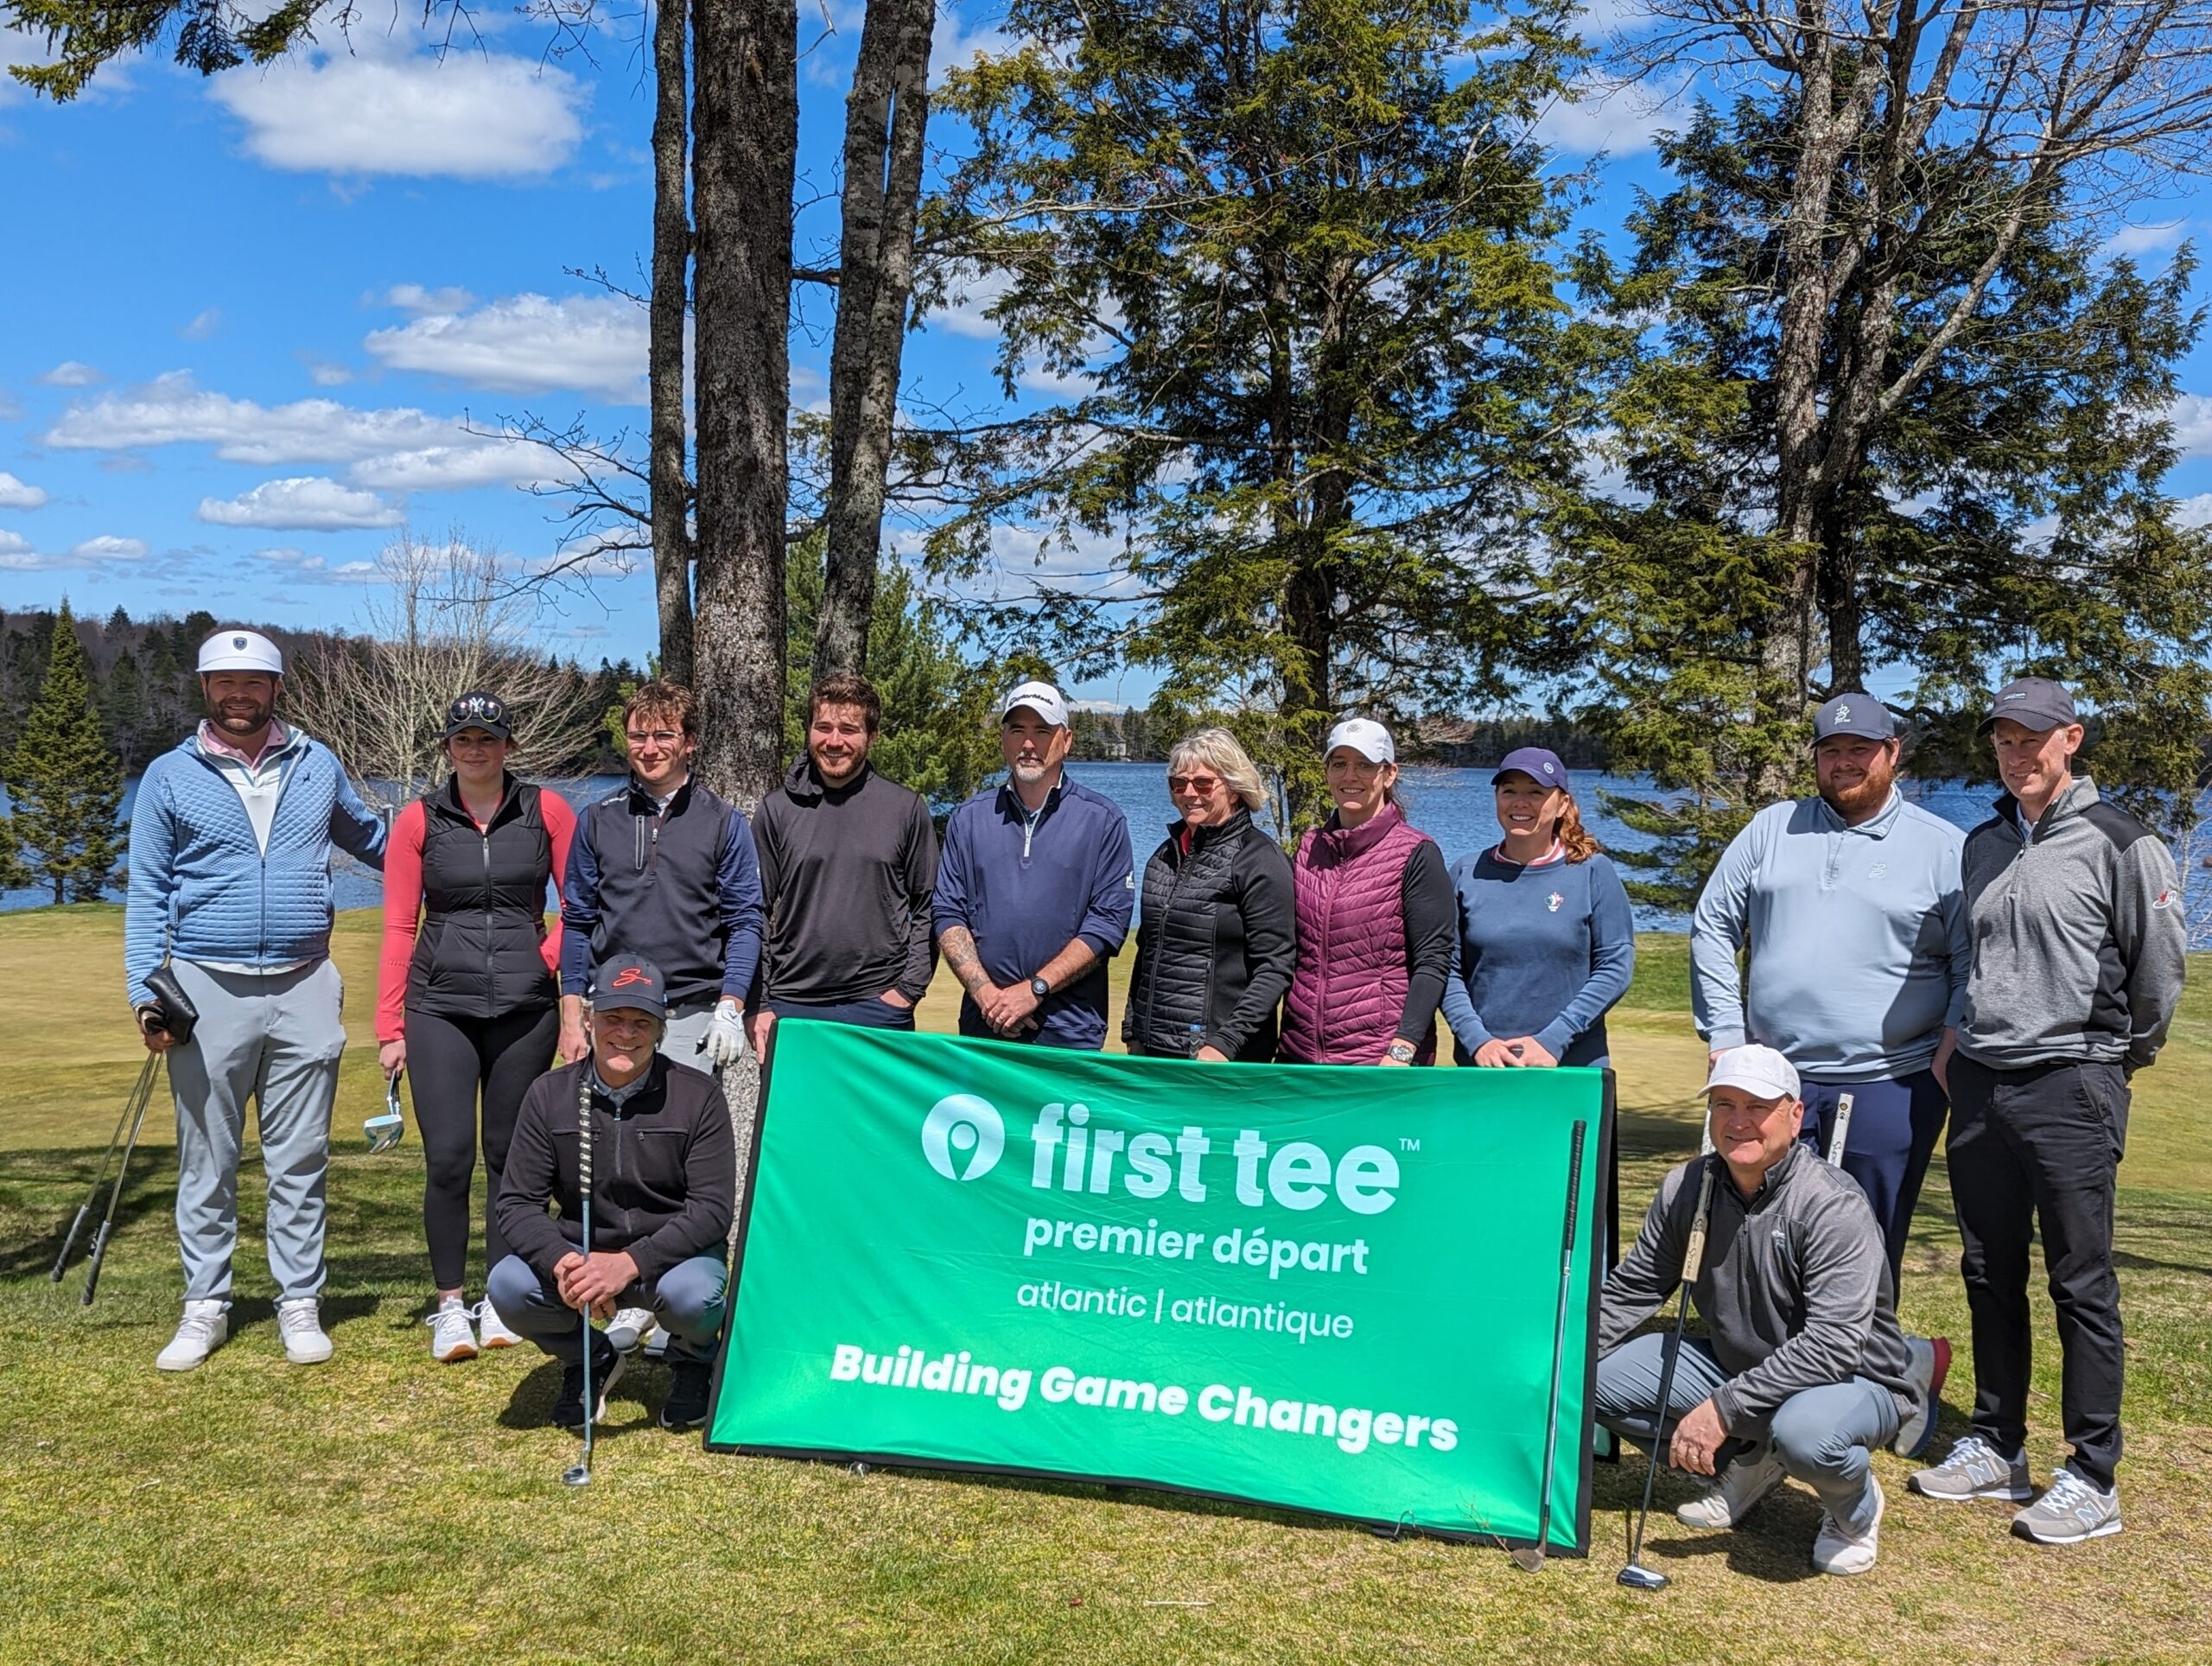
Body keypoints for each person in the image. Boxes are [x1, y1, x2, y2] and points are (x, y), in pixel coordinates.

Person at [1911, 677, 2186, 1545]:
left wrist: (2114, 1058)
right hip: (1984, 1084)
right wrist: (1959, 1035)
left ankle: (2092, 1472)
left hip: (2074, 1083)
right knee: (1988, 1269)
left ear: (2070, 738)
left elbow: (2158, 973)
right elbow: (1976, 955)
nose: (2016, 753)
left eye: (2032, 737)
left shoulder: (2121, 839)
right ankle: (1996, 1443)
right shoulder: (1985, 841)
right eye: (2002, 738)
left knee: (2079, 1277)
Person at [1690, 692, 1966, 1454]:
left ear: (1893, 752)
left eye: (1860, 749)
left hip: (1888, 1084)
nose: (1843, 762)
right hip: (1772, 1082)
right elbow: (1713, 924)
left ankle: (1888, 1388)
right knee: (1749, 1245)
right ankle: (1774, 1390)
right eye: (1830, 750)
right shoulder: (1770, 829)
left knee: (1863, 1256)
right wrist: (1723, 1031)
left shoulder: (1942, 847)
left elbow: (1973, 957)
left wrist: (1952, 1040)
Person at [124, 627, 387, 1372]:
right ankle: (204, 1305)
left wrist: (467, 844)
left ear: (277, 689)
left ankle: (298, 1300)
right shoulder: (171, 776)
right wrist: (149, 995)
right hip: (206, 984)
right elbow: (145, 894)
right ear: (205, 689)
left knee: (299, 1158)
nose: (238, 696)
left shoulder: (316, 762)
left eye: (254, 683)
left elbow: (378, 841)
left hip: (307, 983)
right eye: (224, 683)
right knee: (207, 1158)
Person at [1597, 1046, 1923, 1578]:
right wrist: (1554, 1348)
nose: (1739, 1121)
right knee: (1586, 1378)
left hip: (1857, 1380)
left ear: (1795, 1115)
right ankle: (1753, 1458)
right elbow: (1635, 1288)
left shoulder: (1830, 1204)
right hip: (1739, 1365)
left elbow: (1834, 1346)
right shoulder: (1687, 1186)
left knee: (1807, 1436)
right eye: (1725, 1104)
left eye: (1758, 1106)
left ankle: (1855, 1511)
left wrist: (1722, 1409)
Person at [376, 691, 576, 1364]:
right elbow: (401, 924)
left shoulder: (546, 811)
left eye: (487, 738)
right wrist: (389, 1024)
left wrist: (543, 958)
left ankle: (500, 1298)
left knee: (509, 1158)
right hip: (439, 1009)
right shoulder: (418, 820)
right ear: (448, 747)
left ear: (508, 747)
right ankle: (449, 1306)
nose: (475, 748)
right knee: (450, 1158)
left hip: (526, 1010)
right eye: (462, 738)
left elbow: (580, 905)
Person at [486, 954, 735, 1434]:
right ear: (588, 1019)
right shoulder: (547, 1094)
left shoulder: (698, 1094)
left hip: (668, 1260)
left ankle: (692, 1360)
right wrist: (567, 1264)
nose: (626, 1033)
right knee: (508, 1286)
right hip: (579, 1257)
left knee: (697, 1297)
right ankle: (591, 1357)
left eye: (642, 1021)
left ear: (661, 1030)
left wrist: (626, 1265)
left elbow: (712, 1211)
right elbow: (516, 1204)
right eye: (613, 1019)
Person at [558, 679, 764, 1076]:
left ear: (689, 741)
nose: (650, 749)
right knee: (606, 1133)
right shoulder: (597, 820)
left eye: (664, 735)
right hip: (613, 1012)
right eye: (639, 736)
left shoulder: (724, 823)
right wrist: (571, 1015)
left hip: (692, 1012)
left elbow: (744, 922)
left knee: (679, 1134)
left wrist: (731, 1005)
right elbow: (578, 921)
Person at [933, 679, 1135, 1049]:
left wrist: (1035, 990)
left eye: (1042, 731)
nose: (1028, 744)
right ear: (1002, 738)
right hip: (985, 1027)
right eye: (1018, 730)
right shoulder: (969, 818)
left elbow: (1108, 924)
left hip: (1070, 1032)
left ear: (1067, 740)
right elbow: (948, 913)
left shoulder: (1103, 820)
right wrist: (986, 996)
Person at [747, 672, 938, 1056]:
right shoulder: (777, 810)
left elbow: (928, 906)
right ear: (809, 731)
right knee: (793, 1118)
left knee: (880, 1120)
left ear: (872, 735)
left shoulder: (904, 809)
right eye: (824, 727)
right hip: (792, 1006)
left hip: (879, 1009)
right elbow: (753, 910)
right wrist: (762, 1004)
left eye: (849, 729)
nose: (835, 741)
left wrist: (906, 991)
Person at [1440, 746, 1633, 1070]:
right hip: (1484, 1068)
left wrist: (1554, 1040)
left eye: (1535, 792)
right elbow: (1445, 969)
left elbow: (1615, 967)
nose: (1520, 802)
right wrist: (1477, 1041)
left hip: (1571, 1069)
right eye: (1509, 791)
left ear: (1562, 804)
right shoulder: (1464, 872)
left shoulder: (1592, 871)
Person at [1276, 718, 1452, 1065]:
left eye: (1365, 765)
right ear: (1326, 772)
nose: (1350, 776)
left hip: (1380, 1062)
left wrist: (1403, 1048)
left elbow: (1433, 962)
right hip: (1300, 1059)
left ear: (1389, 774)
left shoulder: (1416, 853)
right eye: (1339, 764)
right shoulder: (1309, 847)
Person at [1122, 728, 1295, 1061]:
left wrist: (1225, 1045)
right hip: (1154, 1052)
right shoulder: (1164, 857)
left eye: (1203, 783)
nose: (1190, 793)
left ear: (1233, 789)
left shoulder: (1259, 860)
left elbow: (1275, 966)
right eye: (1179, 783)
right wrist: (1133, 1030)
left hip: (1222, 1059)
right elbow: (1148, 949)